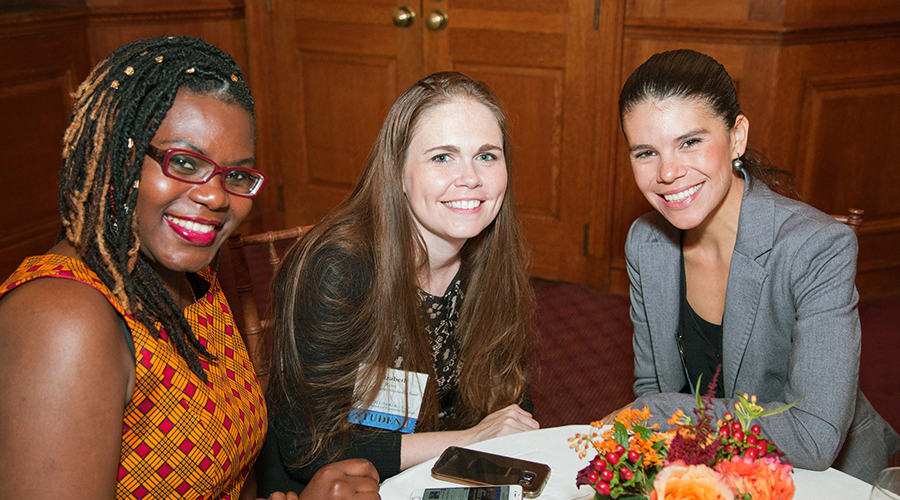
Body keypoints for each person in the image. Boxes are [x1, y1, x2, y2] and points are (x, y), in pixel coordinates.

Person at [0, 35, 378, 500]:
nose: (216, 196)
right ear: (119, 158)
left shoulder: (193, 279)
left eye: (235, 174)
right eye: (183, 162)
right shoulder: (62, 318)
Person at [613, 48, 899, 482]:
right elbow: (655, 387)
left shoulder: (815, 246)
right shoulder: (646, 242)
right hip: (714, 466)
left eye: (690, 142)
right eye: (645, 152)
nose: (667, 172)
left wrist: (657, 413)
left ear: (737, 137)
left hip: (832, 481)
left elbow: (812, 435)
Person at [257, 71, 539, 494]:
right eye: (442, 157)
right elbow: (313, 449)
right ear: (399, 173)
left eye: (487, 155)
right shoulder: (338, 269)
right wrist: (469, 441)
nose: (471, 178)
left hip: (435, 476)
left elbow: (508, 397)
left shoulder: (493, 258)